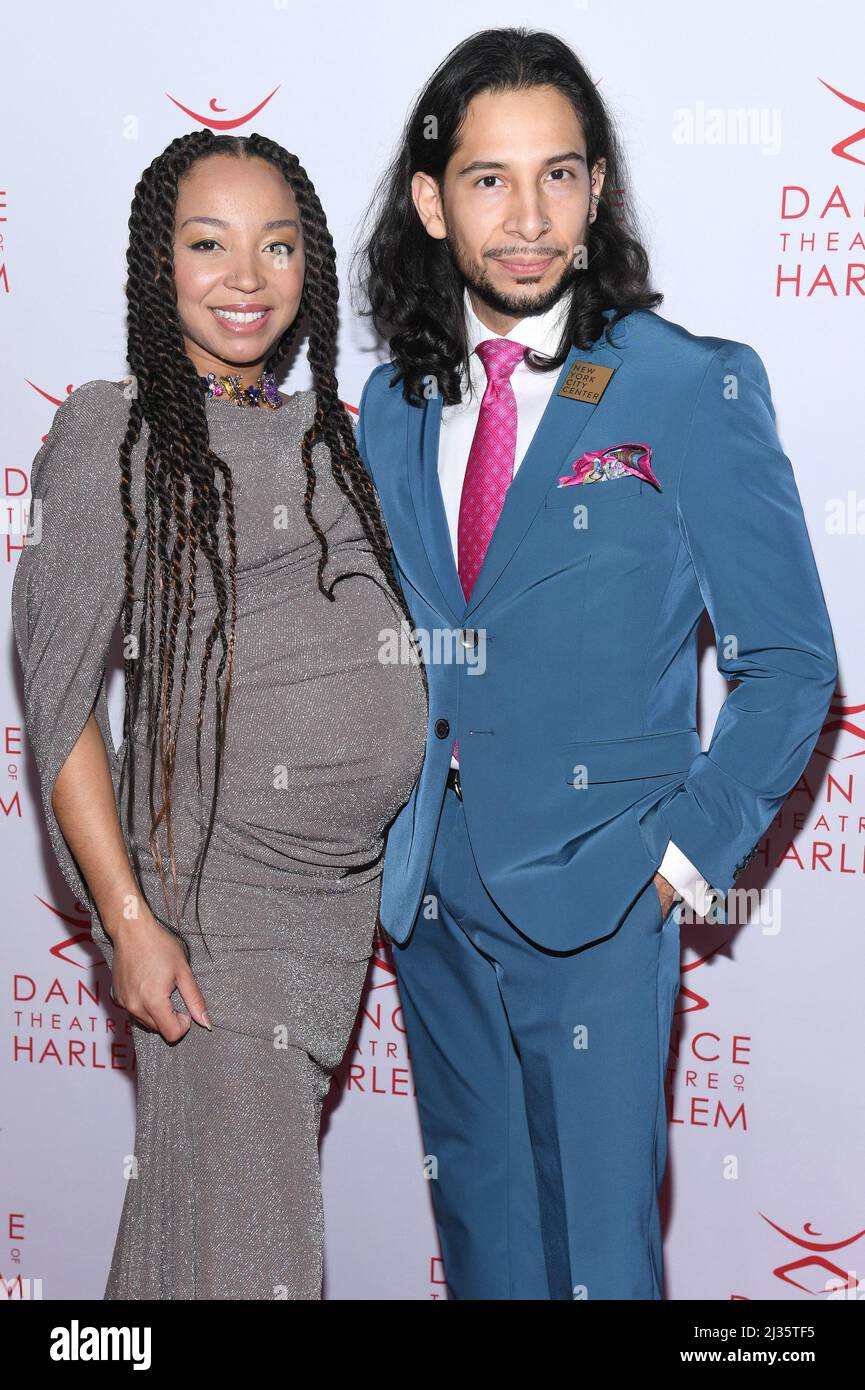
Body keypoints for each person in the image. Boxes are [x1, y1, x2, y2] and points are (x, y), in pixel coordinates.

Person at [352, 27, 838, 1299]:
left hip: (601, 893)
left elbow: (789, 665)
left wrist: (678, 859)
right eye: (489, 179)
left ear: (597, 188)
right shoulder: (388, 408)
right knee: (486, 1255)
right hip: (433, 902)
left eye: (558, 176)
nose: (527, 218)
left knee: (600, 1265)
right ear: (430, 199)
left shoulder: (690, 386)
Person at [11, 129, 427, 1300]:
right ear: (159, 265)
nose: (246, 277)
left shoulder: (328, 434)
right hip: (211, 907)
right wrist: (130, 922)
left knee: (189, 1248)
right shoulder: (114, 431)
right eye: (209, 244)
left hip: (329, 912)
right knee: (254, 1262)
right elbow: (60, 705)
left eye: (277, 246)